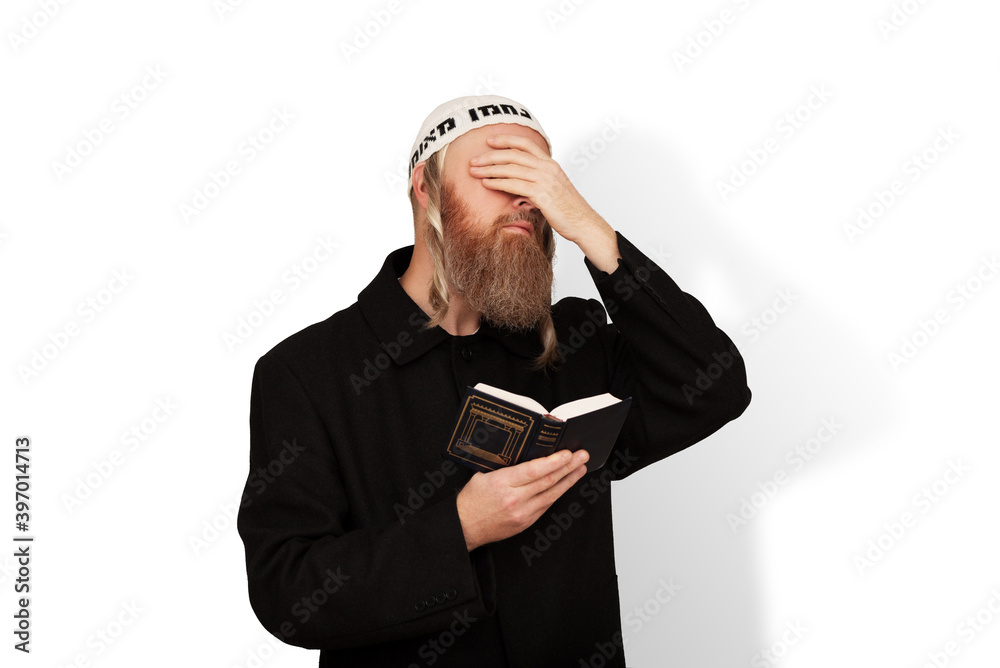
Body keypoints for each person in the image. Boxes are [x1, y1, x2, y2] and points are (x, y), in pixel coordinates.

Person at [236, 94, 751, 667]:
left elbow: (714, 386)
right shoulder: (306, 372)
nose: (526, 200)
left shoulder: (575, 344)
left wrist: (589, 229)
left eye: (542, 181)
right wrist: (459, 529)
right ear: (425, 188)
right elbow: (289, 595)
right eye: (499, 171)